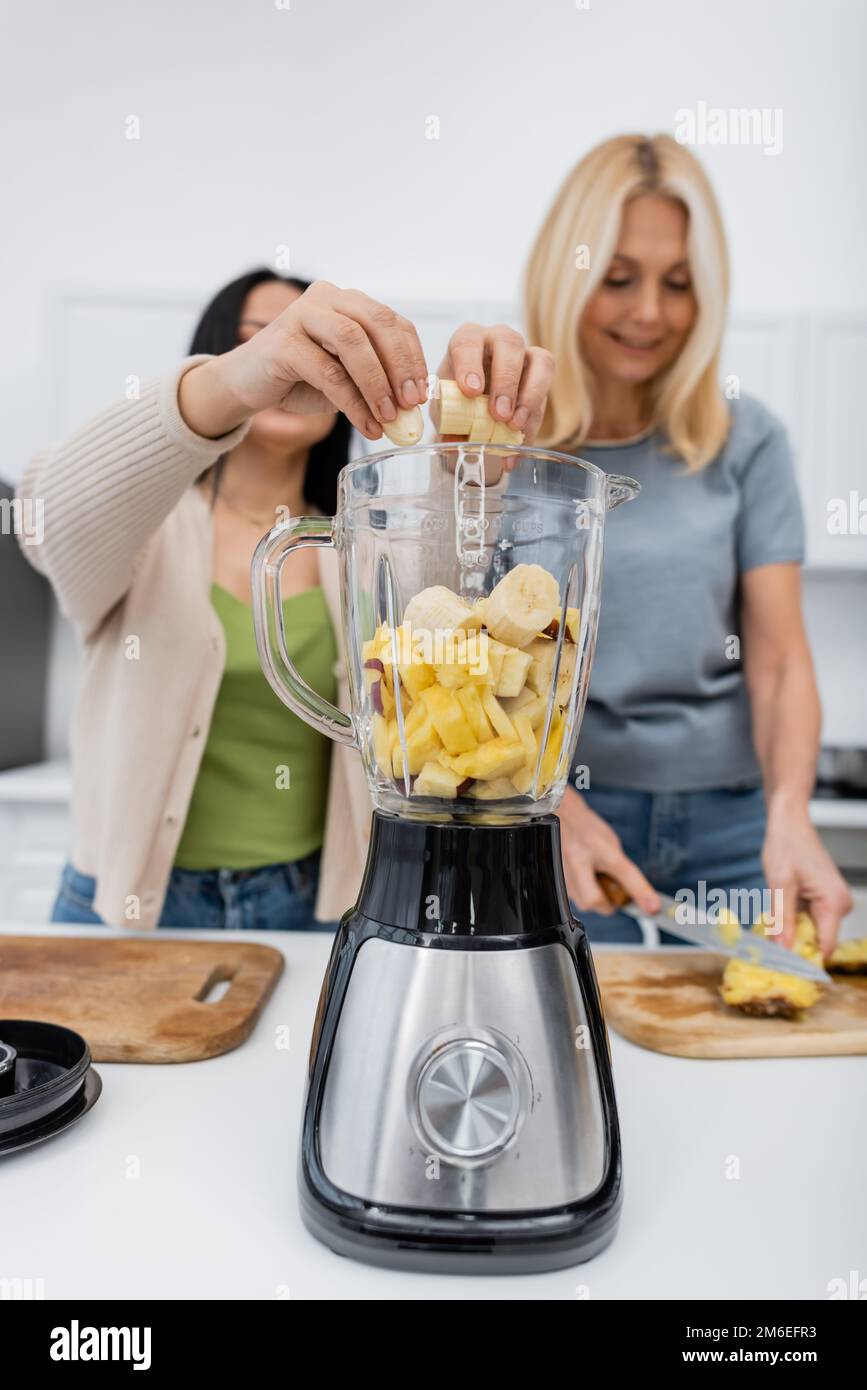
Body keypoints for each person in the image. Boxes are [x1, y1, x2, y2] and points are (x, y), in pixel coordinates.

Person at [17, 275, 552, 931]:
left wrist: (468, 455)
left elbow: (442, 628)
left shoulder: (360, 548)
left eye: (314, 349)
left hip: (311, 904)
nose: (287, 361)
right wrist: (232, 383)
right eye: (262, 341)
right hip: (123, 904)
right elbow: (47, 514)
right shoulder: (144, 532)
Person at [523, 134, 852, 955]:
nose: (650, 313)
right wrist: (555, 807)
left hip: (733, 826)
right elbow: (471, 673)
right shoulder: (508, 455)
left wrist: (789, 814)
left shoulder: (746, 442)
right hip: (557, 822)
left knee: (753, 1050)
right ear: (565, 278)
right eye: (618, 278)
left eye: (678, 284)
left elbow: (776, 661)